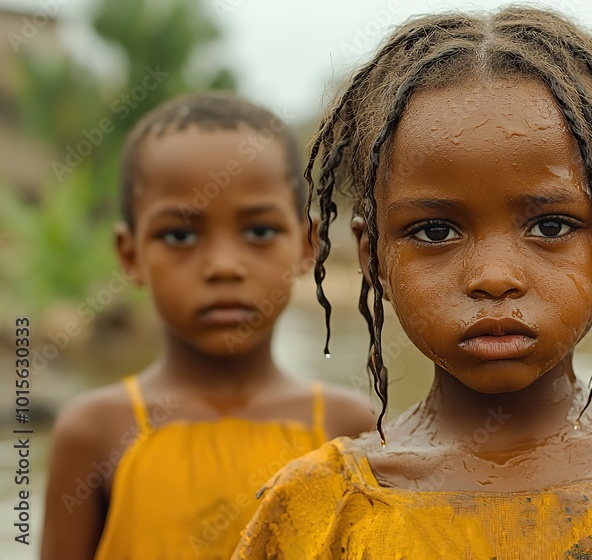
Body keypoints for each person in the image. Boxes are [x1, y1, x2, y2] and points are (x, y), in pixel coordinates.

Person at [234, 8, 592, 559]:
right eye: (435, 230)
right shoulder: (316, 510)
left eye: (550, 226)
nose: (495, 277)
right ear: (375, 260)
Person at [40, 91, 376, 560]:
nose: (222, 266)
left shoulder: (346, 425)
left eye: (259, 231)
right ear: (131, 255)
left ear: (307, 246)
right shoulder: (95, 431)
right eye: (179, 235)